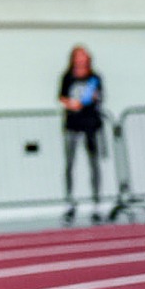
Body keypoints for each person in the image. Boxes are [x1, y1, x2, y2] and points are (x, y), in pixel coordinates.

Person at [58, 44, 104, 224]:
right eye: (78, 56)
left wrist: (88, 100)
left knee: (94, 163)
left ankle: (96, 203)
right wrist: (71, 104)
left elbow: (98, 97)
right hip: (72, 124)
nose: (81, 59)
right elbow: (61, 96)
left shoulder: (94, 78)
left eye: (83, 55)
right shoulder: (67, 77)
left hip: (90, 124)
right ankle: (70, 202)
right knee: (69, 163)